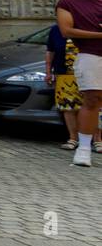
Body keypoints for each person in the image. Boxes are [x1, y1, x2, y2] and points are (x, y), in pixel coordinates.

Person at [55, 0, 102, 168]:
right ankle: (83, 149)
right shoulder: (68, 3)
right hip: (90, 55)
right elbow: (67, 30)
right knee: (92, 100)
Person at [45, 24, 98, 152]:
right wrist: (48, 71)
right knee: (68, 106)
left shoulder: (92, 25)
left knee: (96, 105)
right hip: (65, 73)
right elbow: (50, 51)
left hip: (91, 71)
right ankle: (73, 138)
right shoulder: (56, 29)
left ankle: (98, 140)